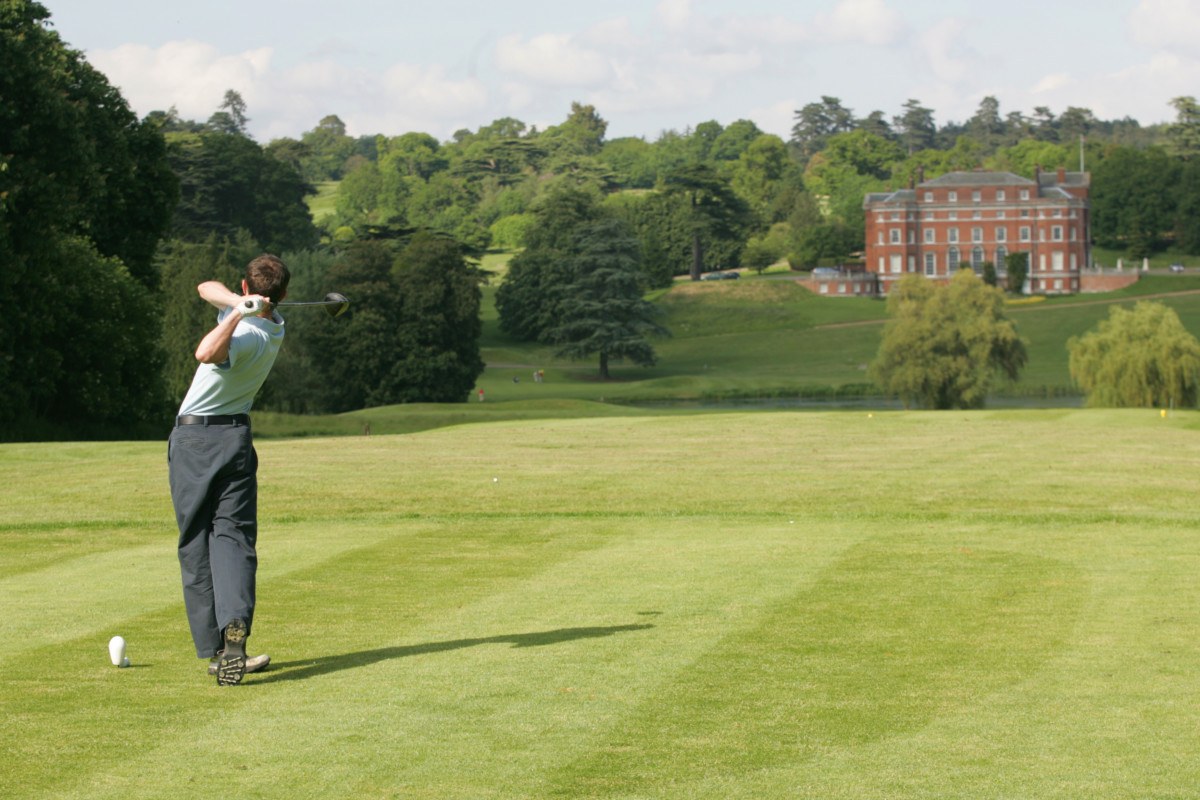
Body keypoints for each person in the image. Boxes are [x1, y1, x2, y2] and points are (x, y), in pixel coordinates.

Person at [167, 254, 289, 686]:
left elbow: (205, 352)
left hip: (195, 441)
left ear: (246, 285)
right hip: (236, 437)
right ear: (285, 293)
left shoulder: (251, 335)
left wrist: (237, 312)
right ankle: (234, 626)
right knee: (232, 537)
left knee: (196, 542)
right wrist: (240, 305)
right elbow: (205, 287)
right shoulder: (274, 324)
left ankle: (220, 650)